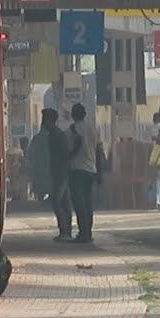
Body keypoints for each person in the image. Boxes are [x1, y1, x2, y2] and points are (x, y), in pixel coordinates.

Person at [27, 108, 73, 242]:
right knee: (64, 202)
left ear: (48, 119)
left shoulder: (51, 135)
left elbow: (35, 153)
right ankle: (66, 231)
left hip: (57, 174)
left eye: (44, 118)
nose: (42, 121)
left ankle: (64, 231)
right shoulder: (59, 134)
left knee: (57, 202)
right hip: (62, 173)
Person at [67, 103, 103, 244]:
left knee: (79, 203)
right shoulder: (93, 130)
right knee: (88, 203)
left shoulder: (71, 131)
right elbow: (99, 152)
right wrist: (99, 173)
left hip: (77, 170)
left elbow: (68, 152)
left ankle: (83, 234)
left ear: (73, 115)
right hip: (91, 170)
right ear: (85, 114)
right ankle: (88, 232)